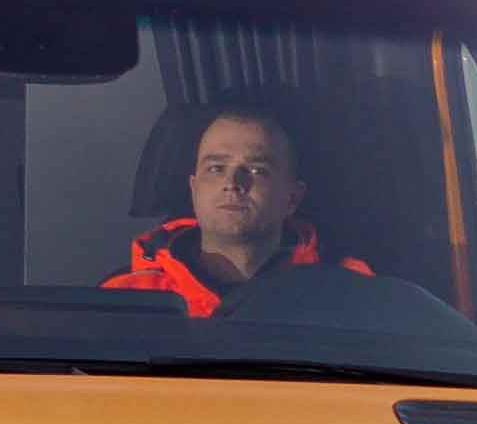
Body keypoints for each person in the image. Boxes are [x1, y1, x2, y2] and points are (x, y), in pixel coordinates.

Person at [102, 105, 372, 315]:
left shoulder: (349, 292)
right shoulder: (126, 298)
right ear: (194, 189)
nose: (232, 184)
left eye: (257, 170)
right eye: (216, 168)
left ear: (292, 198)